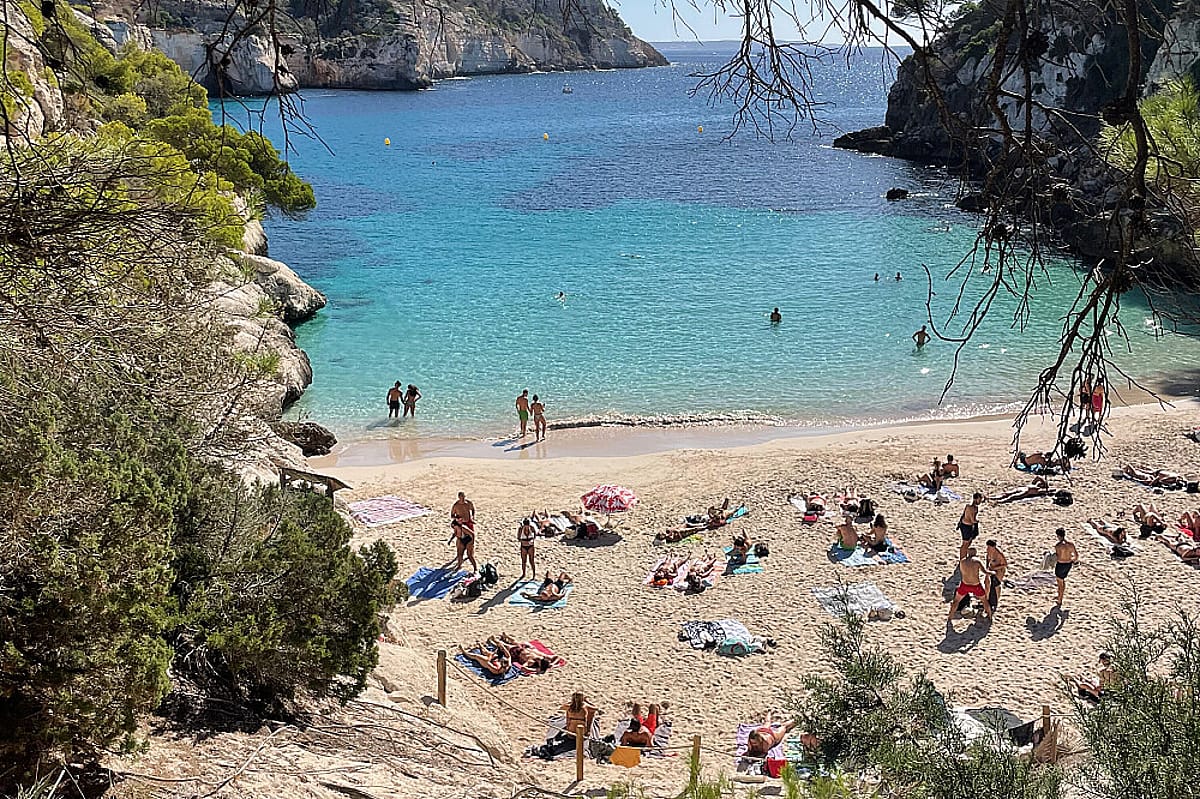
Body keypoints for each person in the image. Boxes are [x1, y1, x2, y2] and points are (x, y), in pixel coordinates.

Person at [948, 546, 992, 621]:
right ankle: (990, 616)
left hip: (965, 584)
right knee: (984, 601)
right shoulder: (977, 561)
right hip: (976, 585)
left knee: (956, 601)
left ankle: (950, 617)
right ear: (975, 553)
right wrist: (992, 572)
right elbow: (985, 572)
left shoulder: (962, 561)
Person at [745, 713, 818, 758]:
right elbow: (749, 751)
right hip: (762, 731)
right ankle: (769, 712)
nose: (753, 744)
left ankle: (798, 719)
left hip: (773, 736)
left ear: (759, 740)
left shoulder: (766, 743)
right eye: (752, 742)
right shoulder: (750, 740)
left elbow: (763, 754)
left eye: (755, 743)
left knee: (784, 727)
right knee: (767, 723)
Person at [1054, 527, 1079, 605]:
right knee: (1062, 580)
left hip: (1060, 565)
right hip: (1068, 564)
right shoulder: (1071, 544)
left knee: (1059, 583)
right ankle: (1060, 597)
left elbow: (1058, 557)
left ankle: (1059, 599)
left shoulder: (1058, 546)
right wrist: (1073, 561)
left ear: (1058, 536)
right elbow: (1076, 556)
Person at [985, 539, 1008, 610]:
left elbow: (1005, 564)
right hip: (991, 569)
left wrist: (995, 567)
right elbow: (987, 558)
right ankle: (987, 598)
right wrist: (987, 567)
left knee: (996, 585)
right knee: (987, 583)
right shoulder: (988, 550)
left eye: (989, 547)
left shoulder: (999, 553)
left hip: (999, 570)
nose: (988, 548)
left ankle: (996, 601)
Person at [1121, 465, 1186, 489]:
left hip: (1160, 473)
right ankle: (1133, 468)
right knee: (1142, 473)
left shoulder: (1179, 477)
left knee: (1145, 472)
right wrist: (1151, 483)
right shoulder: (1172, 479)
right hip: (1158, 474)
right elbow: (1160, 480)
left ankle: (1139, 468)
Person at [958, 492, 982, 559]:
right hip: (966, 526)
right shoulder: (972, 508)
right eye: (979, 500)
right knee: (965, 543)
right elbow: (972, 520)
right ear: (975, 499)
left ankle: (964, 556)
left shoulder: (970, 506)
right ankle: (962, 559)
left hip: (966, 525)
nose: (980, 502)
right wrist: (977, 522)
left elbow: (963, 515)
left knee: (969, 542)